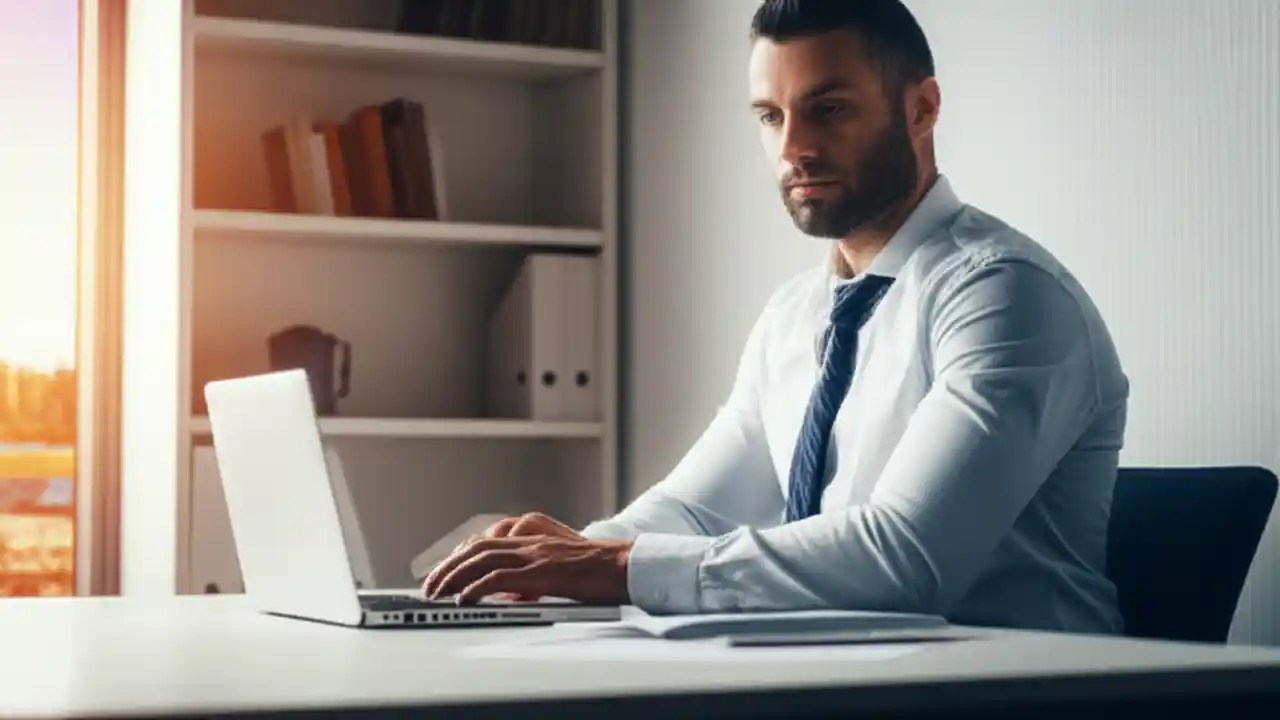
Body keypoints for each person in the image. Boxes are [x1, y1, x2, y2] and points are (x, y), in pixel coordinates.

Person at [424, 0, 1129, 634]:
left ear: (921, 109)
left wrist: (611, 565)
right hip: (853, 682)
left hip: (1028, 690)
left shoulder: (1005, 296)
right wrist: (550, 566)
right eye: (770, 116)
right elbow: (693, 511)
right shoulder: (795, 314)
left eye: (828, 109)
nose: (792, 148)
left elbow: (904, 560)